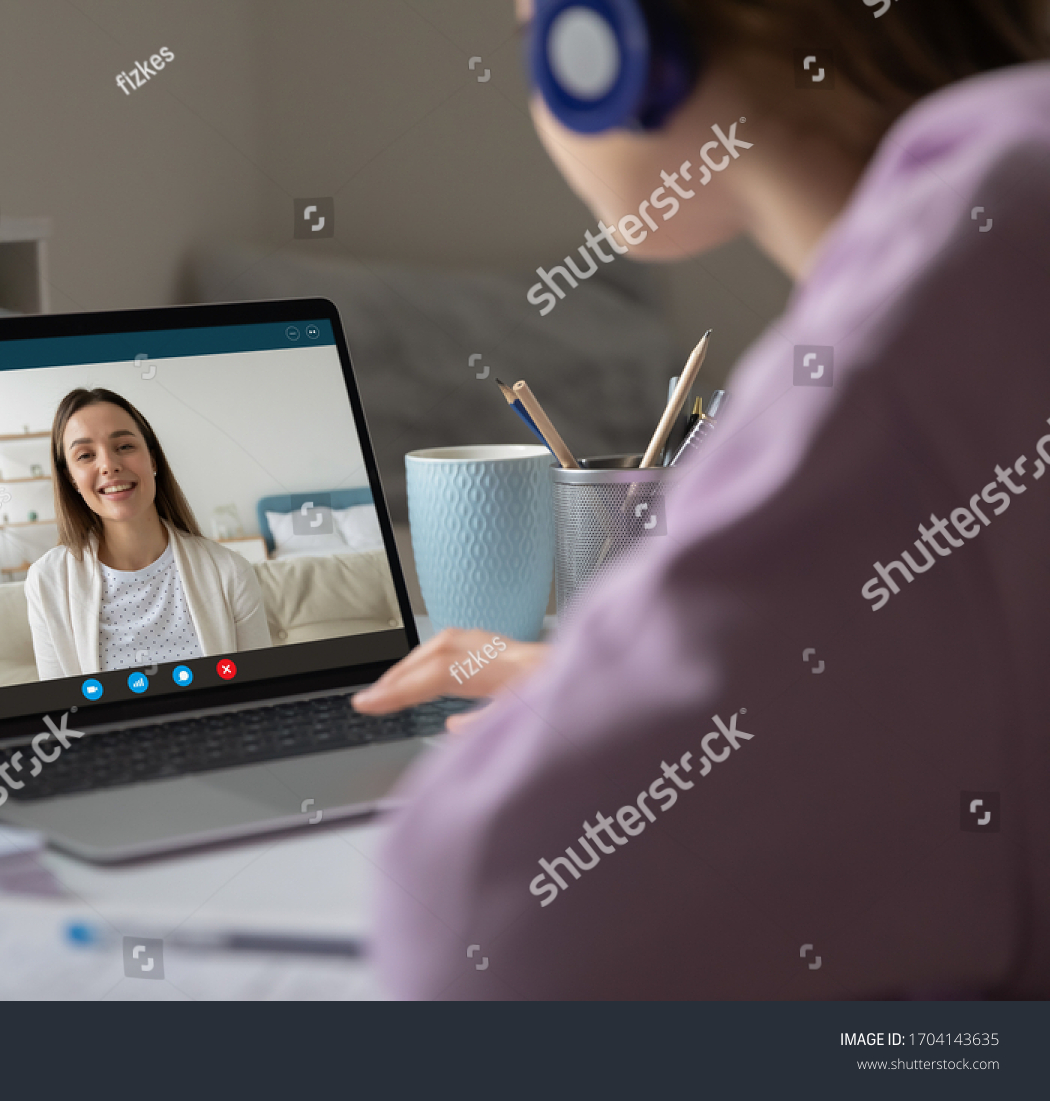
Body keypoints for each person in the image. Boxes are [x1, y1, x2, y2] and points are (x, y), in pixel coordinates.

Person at [355, 0, 1050, 998]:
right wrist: (611, 692)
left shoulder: (939, 308)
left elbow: (486, 931)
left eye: (528, 31)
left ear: (599, 45)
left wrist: (589, 735)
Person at [25, 388, 271, 679]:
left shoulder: (230, 572)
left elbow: (259, 691)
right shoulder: (47, 582)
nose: (108, 465)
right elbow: (63, 708)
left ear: (152, 460)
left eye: (125, 447)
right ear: (71, 478)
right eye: (86, 455)